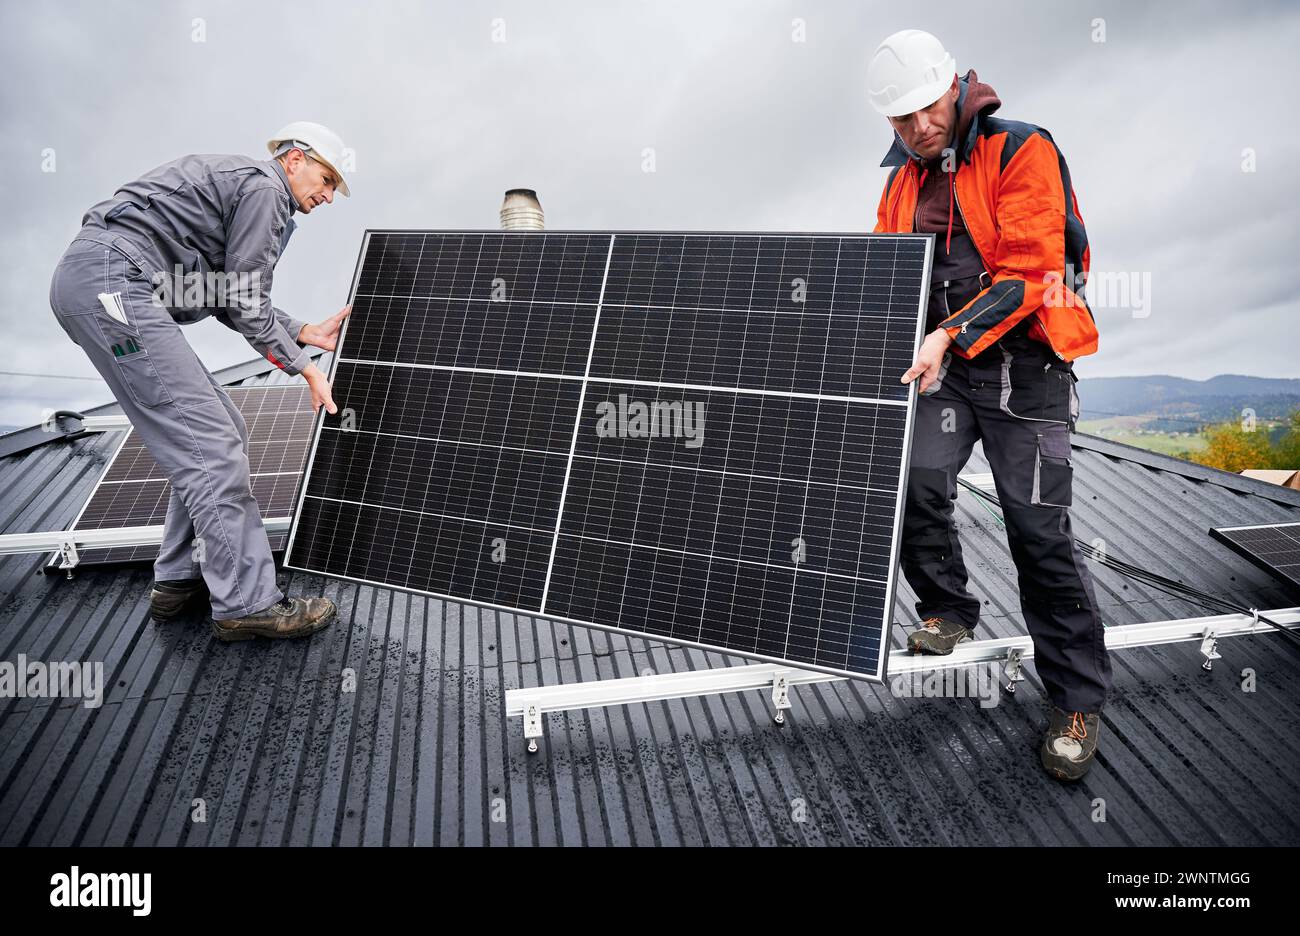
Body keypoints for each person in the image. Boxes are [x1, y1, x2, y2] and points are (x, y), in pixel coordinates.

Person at [868, 30, 1112, 781]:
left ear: (953, 85)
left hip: (1026, 372)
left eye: (925, 111)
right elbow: (882, 271)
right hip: (949, 373)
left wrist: (946, 334)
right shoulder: (902, 181)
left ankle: (1075, 700)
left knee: (1038, 531)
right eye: (900, 121)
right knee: (912, 482)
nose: (917, 130)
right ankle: (946, 607)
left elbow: (1032, 273)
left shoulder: (1019, 150)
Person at [48, 121, 351, 642]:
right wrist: (302, 365)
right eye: (325, 179)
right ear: (295, 160)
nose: (327, 195)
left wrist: (299, 329)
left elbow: (222, 290)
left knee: (217, 427)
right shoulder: (264, 187)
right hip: (116, 286)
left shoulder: (235, 189)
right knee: (211, 443)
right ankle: (248, 603)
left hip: (100, 281)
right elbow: (243, 296)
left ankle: (179, 578)